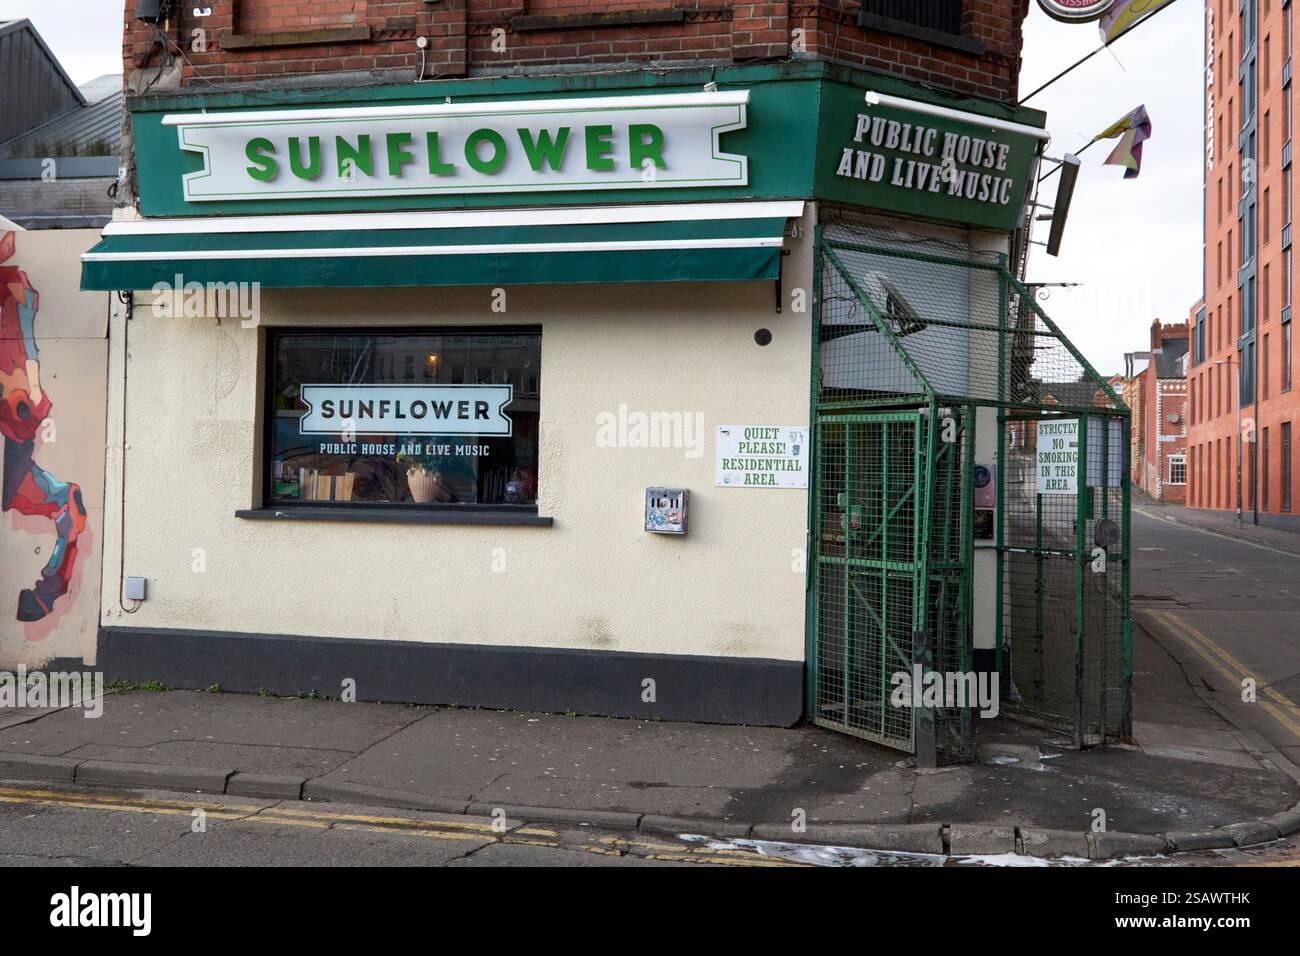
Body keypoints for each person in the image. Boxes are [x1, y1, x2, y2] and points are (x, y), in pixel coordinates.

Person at [1, 231, 87, 622]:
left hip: (14, 416)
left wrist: (31, 387)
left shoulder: (15, 285)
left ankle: (50, 587)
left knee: (67, 504)